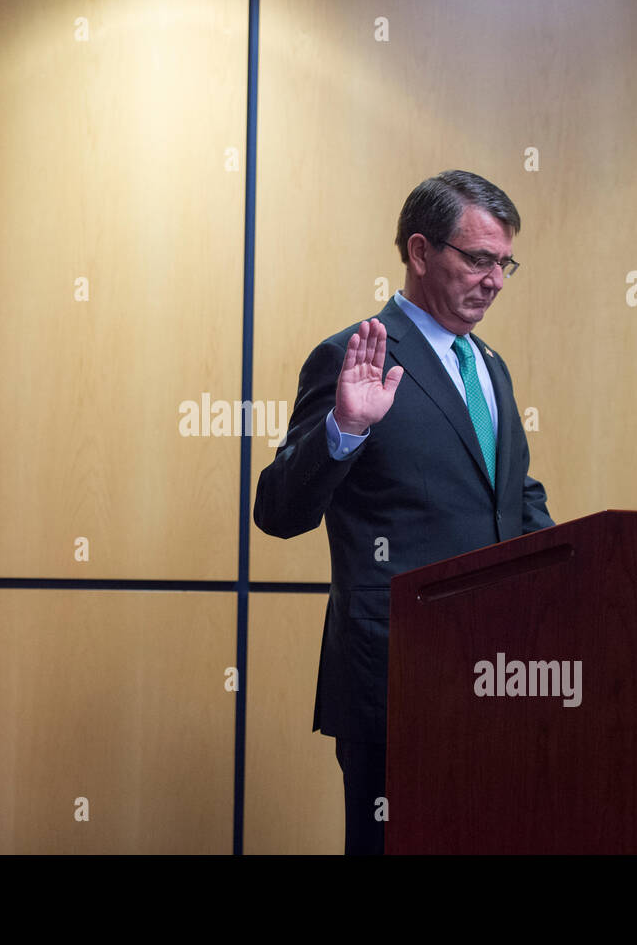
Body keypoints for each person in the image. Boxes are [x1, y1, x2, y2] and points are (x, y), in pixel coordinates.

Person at [253, 170, 556, 854]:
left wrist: (589, 573)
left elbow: (513, 498)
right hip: (398, 680)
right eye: (478, 259)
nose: (496, 279)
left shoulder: (491, 366)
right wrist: (345, 431)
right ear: (420, 252)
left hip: (498, 676)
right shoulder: (353, 357)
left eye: (504, 262)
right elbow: (277, 508)